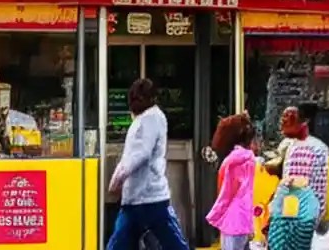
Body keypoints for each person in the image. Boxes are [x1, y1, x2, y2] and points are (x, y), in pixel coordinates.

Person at [105, 78, 190, 250]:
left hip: (148, 195)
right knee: (172, 242)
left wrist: (117, 179)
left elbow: (137, 155)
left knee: (120, 242)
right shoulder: (149, 118)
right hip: (143, 197)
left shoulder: (149, 119)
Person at [206, 113, 256, 250]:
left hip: (231, 222)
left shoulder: (232, 161)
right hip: (245, 220)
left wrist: (215, 215)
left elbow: (226, 194)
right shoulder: (249, 158)